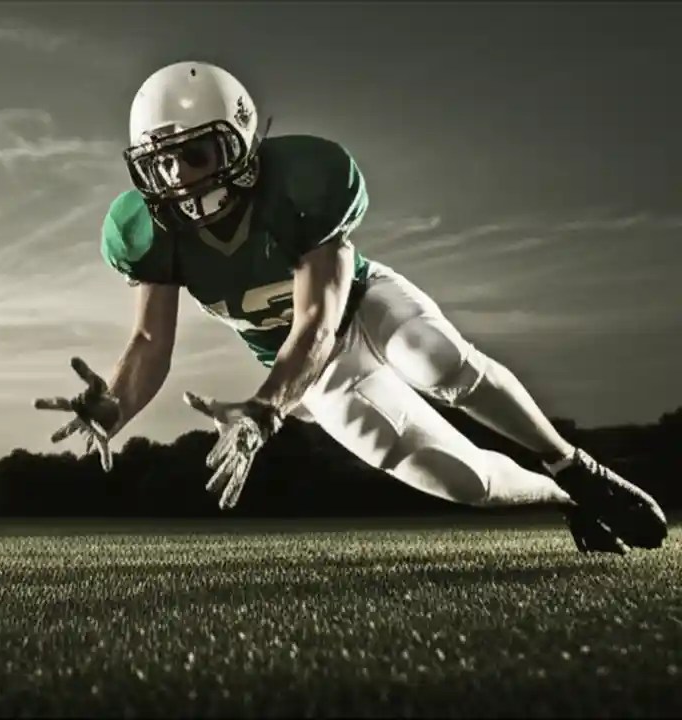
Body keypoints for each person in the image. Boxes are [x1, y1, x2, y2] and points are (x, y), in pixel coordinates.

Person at [34, 61, 667, 554]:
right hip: (310, 372)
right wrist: (114, 405)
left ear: (240, 142)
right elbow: (150, 342)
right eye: (163, 162)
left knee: (432, 358)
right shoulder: (145, 231)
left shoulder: (306, 178)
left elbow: (318, 319)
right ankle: (563, 497)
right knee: (464, 482)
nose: (178, 177)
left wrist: (265, 409)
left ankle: (570, 463)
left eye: (194, 154)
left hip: (361, 307)